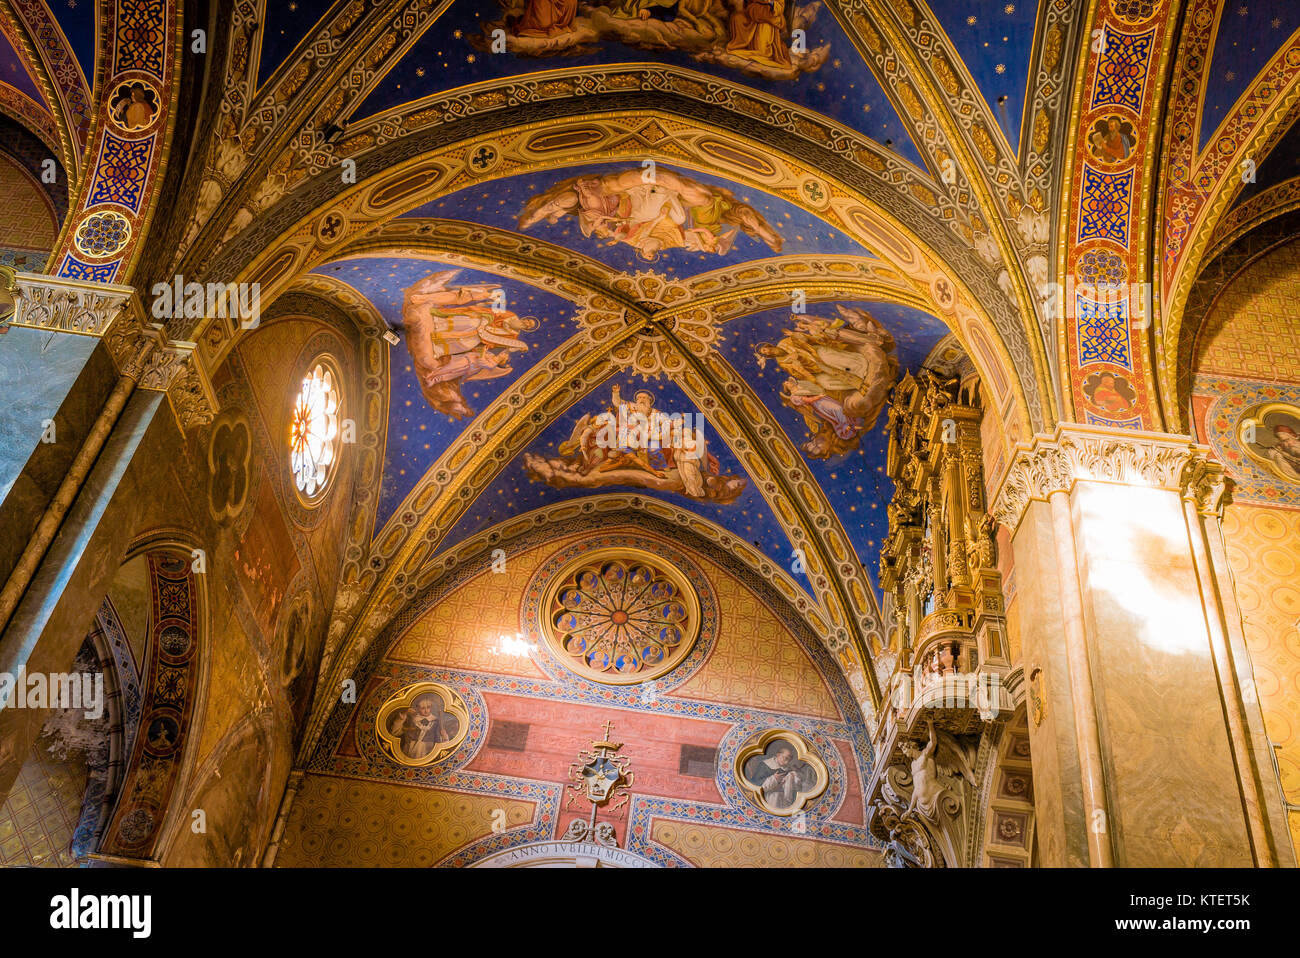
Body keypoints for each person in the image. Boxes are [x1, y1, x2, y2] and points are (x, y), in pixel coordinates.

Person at [746, 742, 807, 809]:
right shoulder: (765, 765)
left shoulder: (788, 768)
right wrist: (773, 779)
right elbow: (756, 785)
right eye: (785, 758)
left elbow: (797, 787)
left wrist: (794, 777)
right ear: (778, 755)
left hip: (785, 799)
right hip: (770, 797)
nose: (787, 762)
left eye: (789, 760)